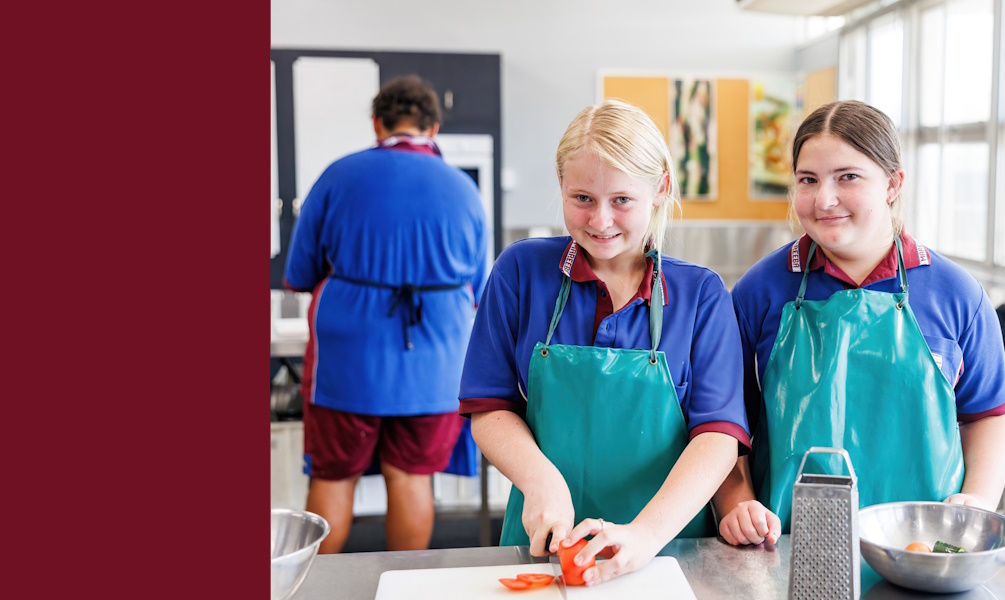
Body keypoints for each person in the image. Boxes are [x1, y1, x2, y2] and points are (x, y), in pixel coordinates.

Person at [459, 99, 747, 585]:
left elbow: (718, 438)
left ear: (660, 190)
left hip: (667, 551)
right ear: (561, 188)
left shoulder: (701, 294)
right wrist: (540, 479)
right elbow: (490, 407)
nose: (600, 220)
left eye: (622, 200)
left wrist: (644, 535)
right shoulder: (520, 273)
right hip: (544, 544)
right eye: (583, 199)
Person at [712, 100, 1005, 546]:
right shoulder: (759, 291)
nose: (824, 199)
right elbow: (724, 427)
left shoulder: (956, 294)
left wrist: (977, 499)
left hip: (922, 549)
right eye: (808, 180)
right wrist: (737, 504)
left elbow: (990, 412)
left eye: (848, 177)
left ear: (893, 183)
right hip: (787, 547)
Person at [283, 75, 488, 553]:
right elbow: (477, 287)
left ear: (377, 123)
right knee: (412, 477)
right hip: (435, 361)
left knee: (335, 478)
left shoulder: (338, 175)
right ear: (433, 127)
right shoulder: (462, 189)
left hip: (349, 361)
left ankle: (311, 591)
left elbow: (298, 273)